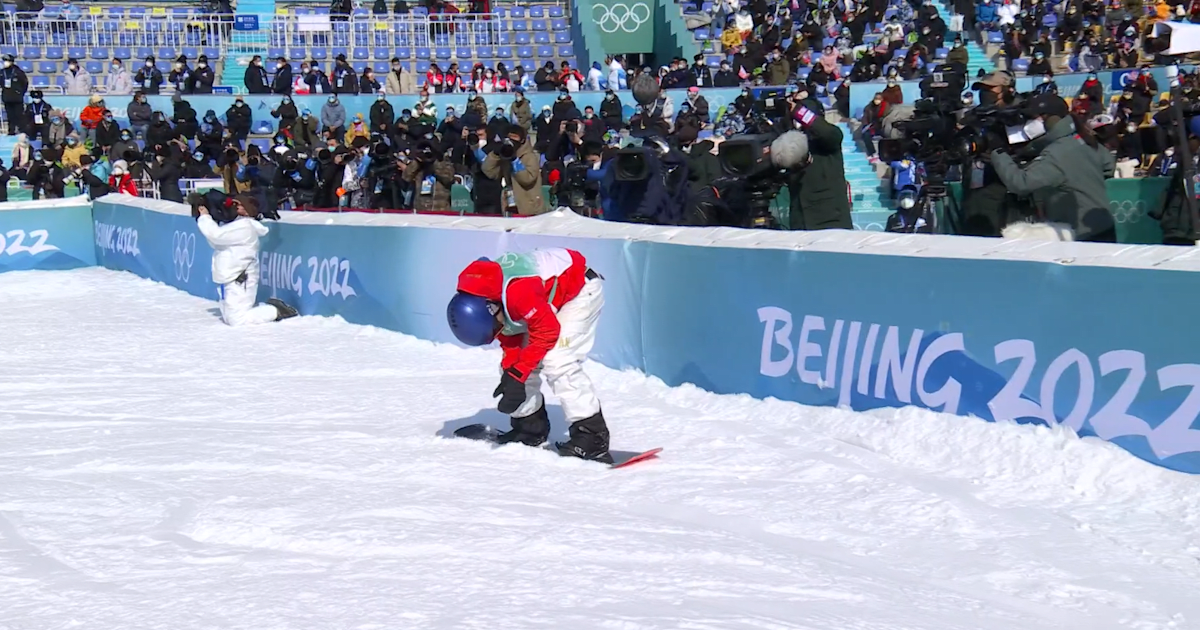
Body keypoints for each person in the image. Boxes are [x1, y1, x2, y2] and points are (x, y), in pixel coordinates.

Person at [447, 249, 612, 462]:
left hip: (579, 291)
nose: (498, 331)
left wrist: (519, 373)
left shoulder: (517, 293)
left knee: (557, 360)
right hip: (543, 300)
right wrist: (512, 374)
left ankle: (592, 436)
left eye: (495, 326)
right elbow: (510, 338)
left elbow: (547, 331)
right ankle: (530, 427)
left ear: (490, 308)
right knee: (516, 366)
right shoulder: (487, 298)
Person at [990, 93, 1114, 242]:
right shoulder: (1082, 139)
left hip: (1081, 235)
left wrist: (998, 153)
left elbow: (1021, 183)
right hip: (1102, 226)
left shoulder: (1058, 152)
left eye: (1033, 118)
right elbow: (1108, 166)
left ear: (1050, 119)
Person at [195, 194, 298, 326]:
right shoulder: (236, 225)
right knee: (229, 317)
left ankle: (276, 310)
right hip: (228, 277)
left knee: (237, 320)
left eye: (237, 205)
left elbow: (216, 235)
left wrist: (205, 217)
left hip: (240, 278)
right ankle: (272, 309)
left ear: (246, 210)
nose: (232, 207)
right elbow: (216, 242)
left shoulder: (245, 227)